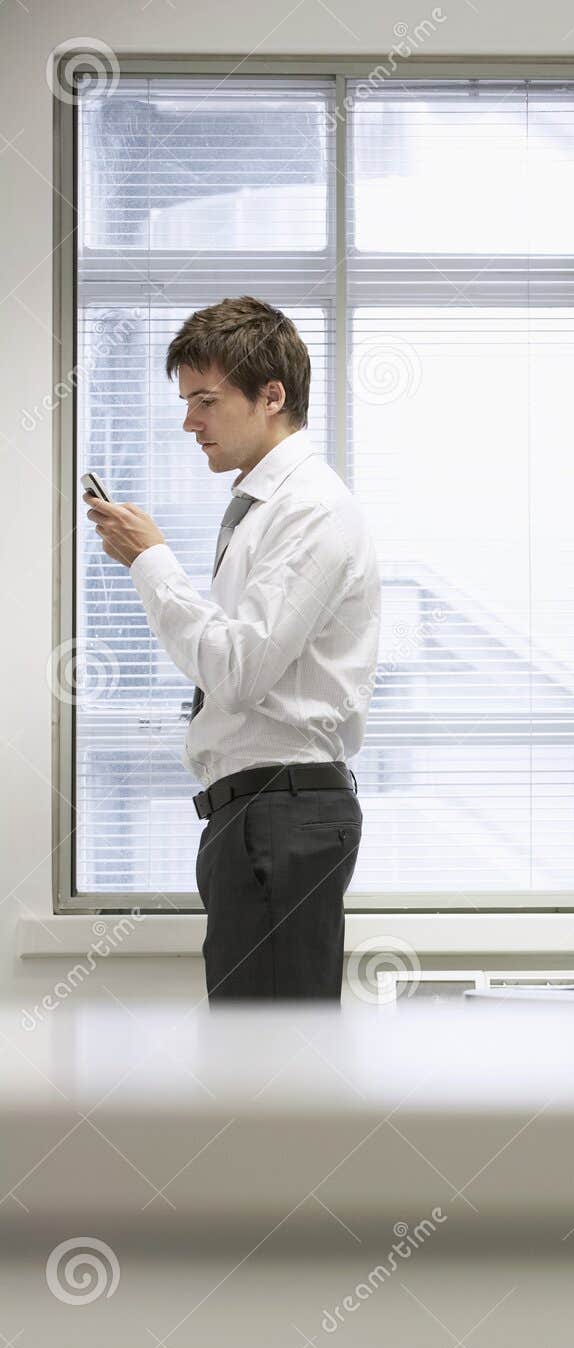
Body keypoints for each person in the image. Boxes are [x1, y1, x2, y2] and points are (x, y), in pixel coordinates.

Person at [83, 296, 380, 1004]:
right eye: (188, 401)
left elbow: (237, 670)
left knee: (270, 1072)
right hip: (257, 815)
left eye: (206, 401)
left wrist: (151, 563)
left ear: (271, 396)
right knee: (257, 1061)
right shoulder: (264, 508)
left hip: (279, 812)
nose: (189, 422)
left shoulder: (309, 508)